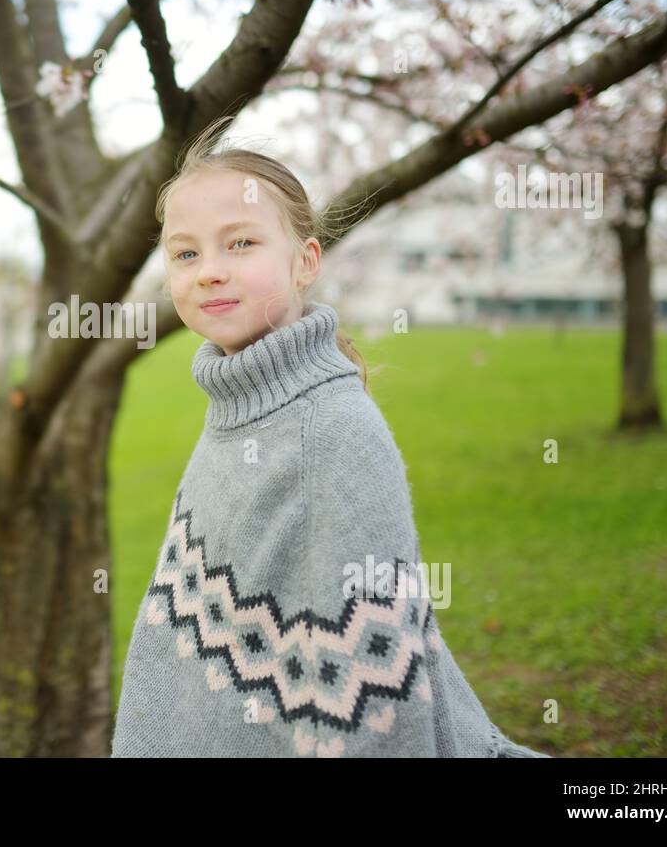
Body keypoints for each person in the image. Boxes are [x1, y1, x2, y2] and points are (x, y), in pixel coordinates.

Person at [110, 116, 550, 758]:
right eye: (186, 252)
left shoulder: (335, 432)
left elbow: (375, 688)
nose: (208, 271)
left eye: (240, 244)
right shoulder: (234, 410)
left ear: (305, 262)